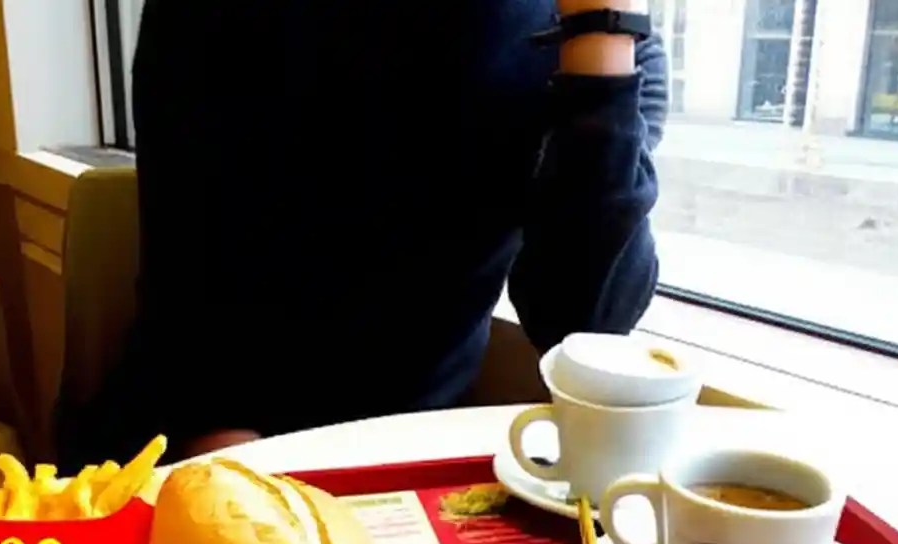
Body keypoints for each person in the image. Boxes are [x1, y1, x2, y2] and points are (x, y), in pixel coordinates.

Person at [57, 0, 667, 466]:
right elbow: (190, 276)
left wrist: (600, 39)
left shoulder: (601, 36)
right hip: (200, 438)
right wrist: (238, 474)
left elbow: (584, 320)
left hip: (407, 453)